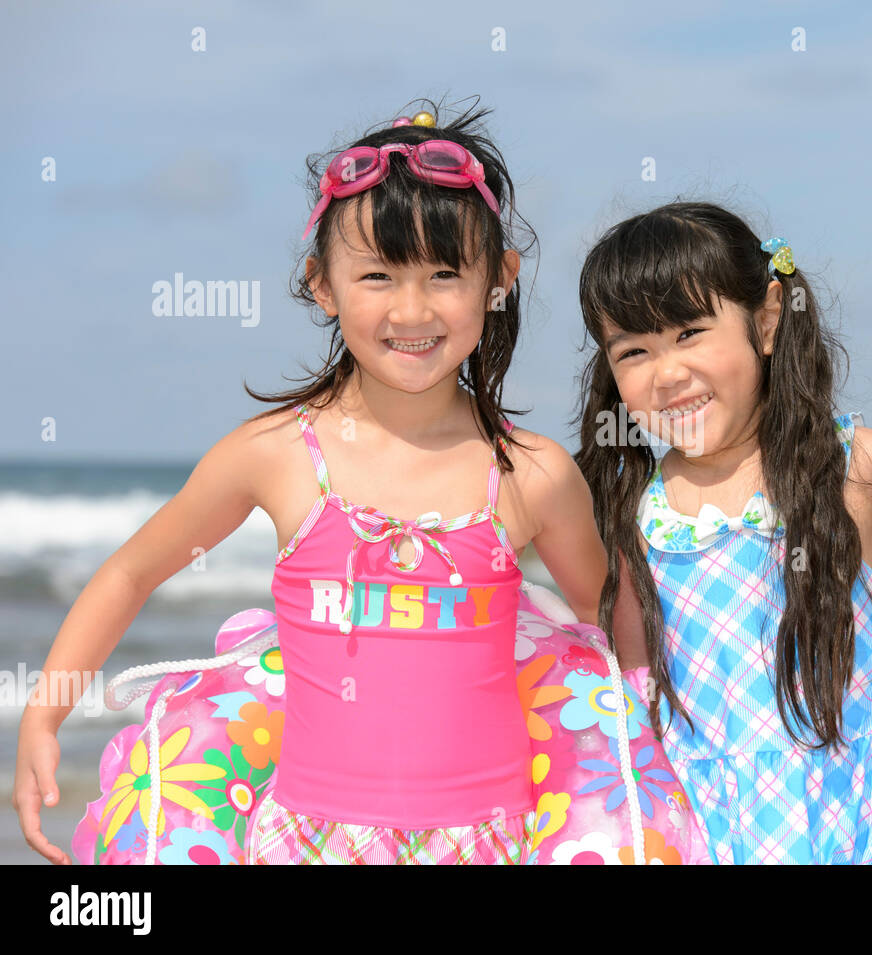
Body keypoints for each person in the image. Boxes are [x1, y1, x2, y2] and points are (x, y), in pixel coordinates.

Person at [14, 99, 611, 865]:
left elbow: (609, 623)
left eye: (444, 274)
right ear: (321, 284)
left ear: (498, 278)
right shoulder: (277, 453)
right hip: (305, 843)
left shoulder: (530, 474)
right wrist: (44, 713)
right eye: (376, 275)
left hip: (488, 841)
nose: (411, 308)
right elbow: (132, 570)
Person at [573, 201, 872, 864]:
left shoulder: (854, 469)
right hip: (695, 837)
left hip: (852, 833)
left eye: (689, 332)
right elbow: (631, 693)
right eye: (634, 350)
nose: (667, 372)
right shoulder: (632, 513)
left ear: (766, 320)